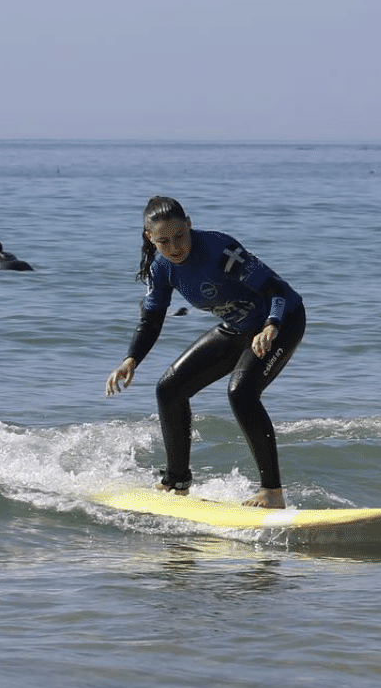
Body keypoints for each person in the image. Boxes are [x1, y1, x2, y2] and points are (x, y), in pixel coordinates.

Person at [105, 195, 306, 505]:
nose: (174, 247)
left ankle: (272, 492)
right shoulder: (161, 268)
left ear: (189, 225)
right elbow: (152, 320)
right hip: (238, 327)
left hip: (281, 320)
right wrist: (131, 358)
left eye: (179, 236)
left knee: (241, 393)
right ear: (150, 238)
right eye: (164, 241)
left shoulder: (219, 250)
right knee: (169, 388)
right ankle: (177, 481)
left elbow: (275, 289)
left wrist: (271, 325)